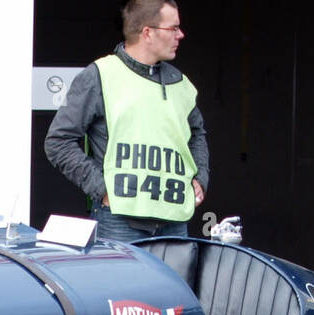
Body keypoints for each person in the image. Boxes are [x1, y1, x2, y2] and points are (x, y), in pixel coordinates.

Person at [44, 0, 209, 243]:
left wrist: (201, 177)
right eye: (173, 28)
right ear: (148, 33)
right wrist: (102, 189)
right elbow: (58, 142)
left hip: (174, 220)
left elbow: (197, 134)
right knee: (121, 283)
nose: (180, 34)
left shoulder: (181, 84)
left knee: (171, 284)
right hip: (119, 221)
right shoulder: (100, 75)